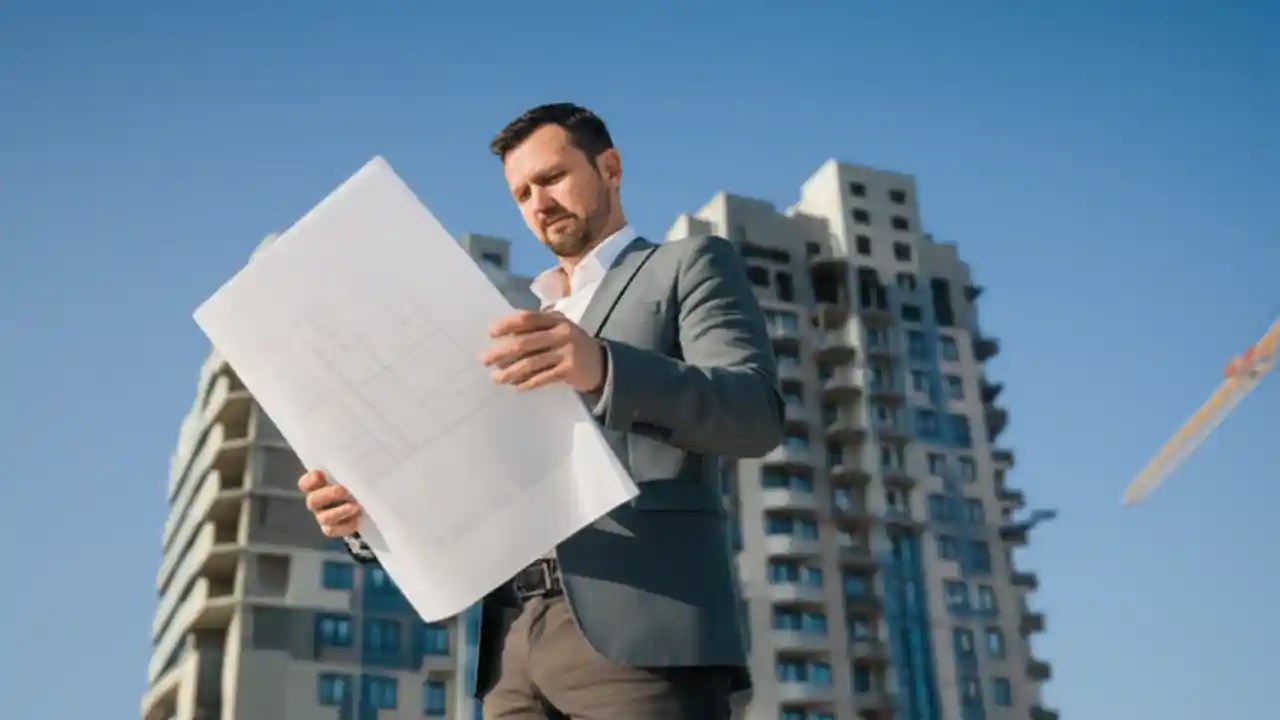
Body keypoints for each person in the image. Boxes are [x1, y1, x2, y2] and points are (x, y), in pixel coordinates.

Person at [298, 102, 784, 719]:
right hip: (511, 648)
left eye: (552, 178)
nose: (538, 203)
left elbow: (753, 411)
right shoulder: (503, 328)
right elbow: (471, 478)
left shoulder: (686, 266)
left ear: (609, 167)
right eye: (522, 193)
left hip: (642, 633)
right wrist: (365, 517)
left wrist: (604, 367)